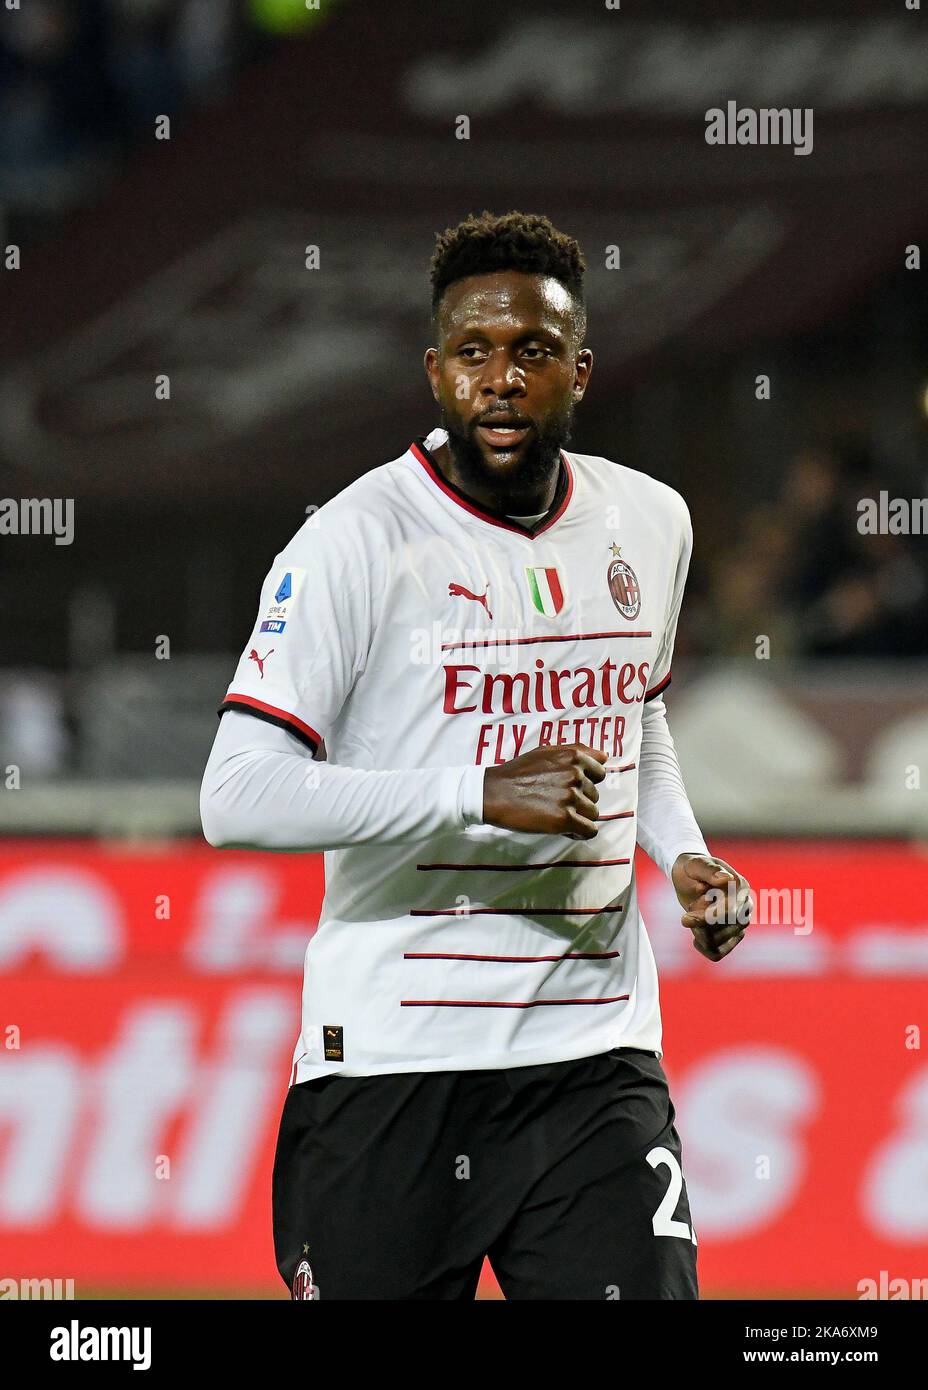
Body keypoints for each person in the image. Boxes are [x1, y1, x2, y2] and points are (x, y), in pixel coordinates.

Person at [199, 209, 753, 1300]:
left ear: (579, 371)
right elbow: (237, 793)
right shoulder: (355, 542)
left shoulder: (651, 522)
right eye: (474, 353)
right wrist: (475, 793)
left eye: (533, 352)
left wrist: (680, 853)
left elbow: (631, 715)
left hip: (592, 1058)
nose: (501, 379)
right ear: (435, 372)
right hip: (397, 1062)